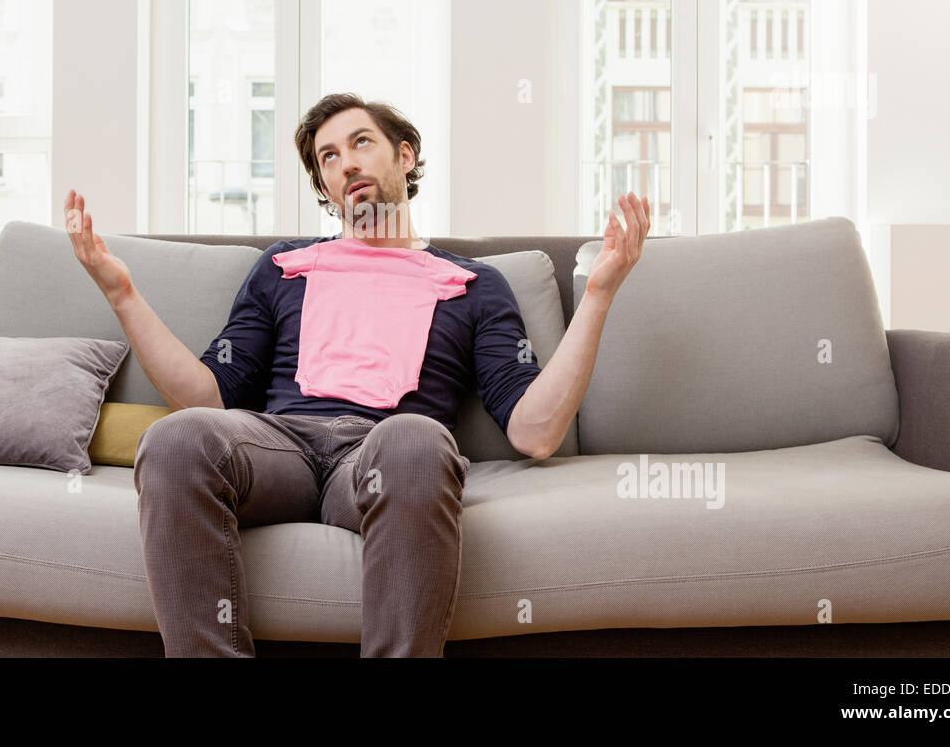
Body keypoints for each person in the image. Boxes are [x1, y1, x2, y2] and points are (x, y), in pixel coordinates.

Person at [64, 92, 650, 657]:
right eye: (329, 156)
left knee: (415, 438)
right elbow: (207, 398)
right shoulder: (282, 267)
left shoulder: (476, 285)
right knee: (174, 437)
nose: (345, 163)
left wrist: (598, 295)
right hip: (279, 449)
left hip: (381, 455)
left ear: (405, 155)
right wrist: (122, 294)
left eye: (361, 142)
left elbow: (535, 432)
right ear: (324, 187)